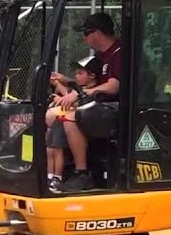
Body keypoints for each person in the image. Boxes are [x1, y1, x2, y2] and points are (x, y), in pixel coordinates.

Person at [52, 12, 123, 192]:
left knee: (71, 117)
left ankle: (82, 173)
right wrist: (66, 81)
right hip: (99, 104)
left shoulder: (119, 53)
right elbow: (93, 82)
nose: (84, 39)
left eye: (86, 33)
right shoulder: (101, 56)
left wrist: (79, 93)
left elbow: (114, 86)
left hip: (117, 106)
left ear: (97, 33)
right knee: (55, 116)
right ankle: (56, 171)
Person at [44, 56, 101, 194]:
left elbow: (76, 103)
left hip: (70, 123)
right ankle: (49, 176)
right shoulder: (78, 88)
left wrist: (61, 98)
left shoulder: (91, 92)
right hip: (58, 123)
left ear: (92, 76)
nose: (76, 76)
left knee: (57, 150)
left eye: (80, 73)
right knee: (50, 149)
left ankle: (58, 177)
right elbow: (69, 95)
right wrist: (59, 84)